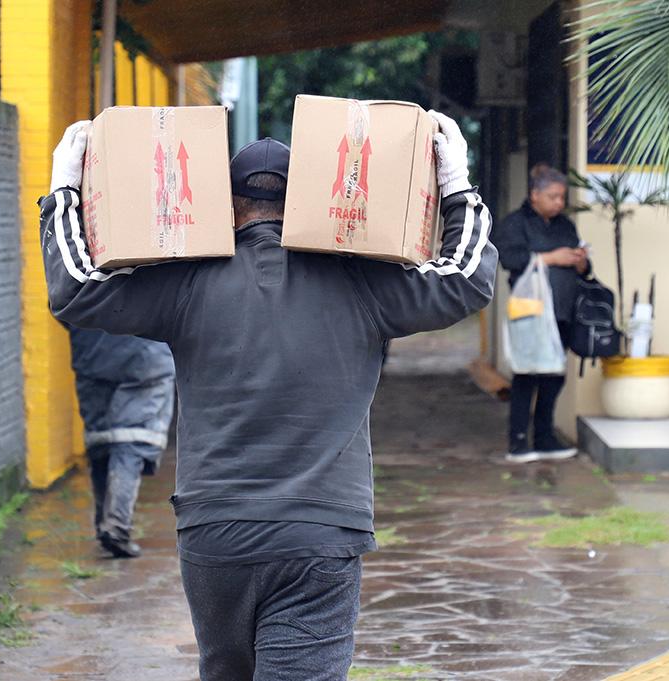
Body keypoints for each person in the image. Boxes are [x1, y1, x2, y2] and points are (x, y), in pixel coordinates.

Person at [40, 113, 495, 681]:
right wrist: (457, 186)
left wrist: (63, 189)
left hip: (214, 533)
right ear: (307, 201)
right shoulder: (361, 281)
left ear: (225, 208)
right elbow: (469, 279)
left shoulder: (184, 282)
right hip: (321, 533)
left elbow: (75, 289)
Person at [492, 163, 587, 463]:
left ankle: (545, 437)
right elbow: (510, 258)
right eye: (553, 197)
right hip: (531, 311)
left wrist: (580, 262)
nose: (559, 203)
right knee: (527, 375)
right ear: (535, 195)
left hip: (561, 310)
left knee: (554, 376)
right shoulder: (515, 223)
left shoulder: (565, 226)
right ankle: (518, 442)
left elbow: (580, 265)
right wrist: (551, 258)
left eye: (562, 197)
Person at [67, 326, 175, 558]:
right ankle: (116, 525)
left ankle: (103, 524)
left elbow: (59, 301)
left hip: (91, 355)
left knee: (101, 441)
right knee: (134, 439)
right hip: (147, 355)